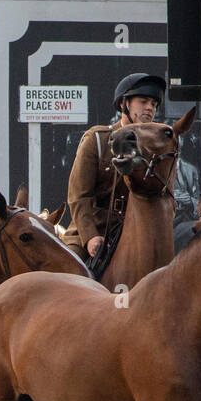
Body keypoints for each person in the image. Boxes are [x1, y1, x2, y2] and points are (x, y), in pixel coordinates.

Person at [63, 72, 166, 260]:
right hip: (93, 231)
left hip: (138, 234)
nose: (150, 108)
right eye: (143, 101)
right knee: (68, 272)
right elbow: (78, 196)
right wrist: (90, 237)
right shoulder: (97, 139)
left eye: (154, 104)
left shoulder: (156, 149)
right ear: (124, 104)